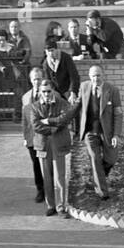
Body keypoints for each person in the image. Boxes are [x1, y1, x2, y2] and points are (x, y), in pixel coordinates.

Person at [26, 78, 77, 217]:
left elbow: (65, 119)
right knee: (47, 177)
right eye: (44, 91)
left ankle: (61, 207)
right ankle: (51, 205)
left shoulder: (62, 103)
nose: (47, 94)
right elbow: (35, 125)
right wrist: (53, 129)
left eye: (49, 91)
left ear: (53, 90)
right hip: (42, 145)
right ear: (40, 92)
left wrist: (48, 121)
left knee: (60, 176)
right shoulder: (34, 106)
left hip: (59, 143)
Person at [72, 62, 122, 201]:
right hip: (90, 131)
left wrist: (116, 134)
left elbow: (118, 114)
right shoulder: (84, 87)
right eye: (93, 76)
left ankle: (100, 174)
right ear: (89, 76)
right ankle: (102, 192)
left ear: (103, 75)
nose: (96, 79)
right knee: (95, 158)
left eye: (98, 75)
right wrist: (64, 119)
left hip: (107, 132)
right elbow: (77, 106)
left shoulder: (112, 90)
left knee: (111, 158)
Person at [19, 65, 48, 203]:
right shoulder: (25, 97)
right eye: (34, 79)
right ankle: (40, 190)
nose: (37, 81)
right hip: (31, 137)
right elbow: (24, 120)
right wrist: (25, 137)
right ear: (31, 80)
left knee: (47, 164)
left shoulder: (49, 94)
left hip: (46, 136)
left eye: (39, 79)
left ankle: (50, 190)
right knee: (36, 164)